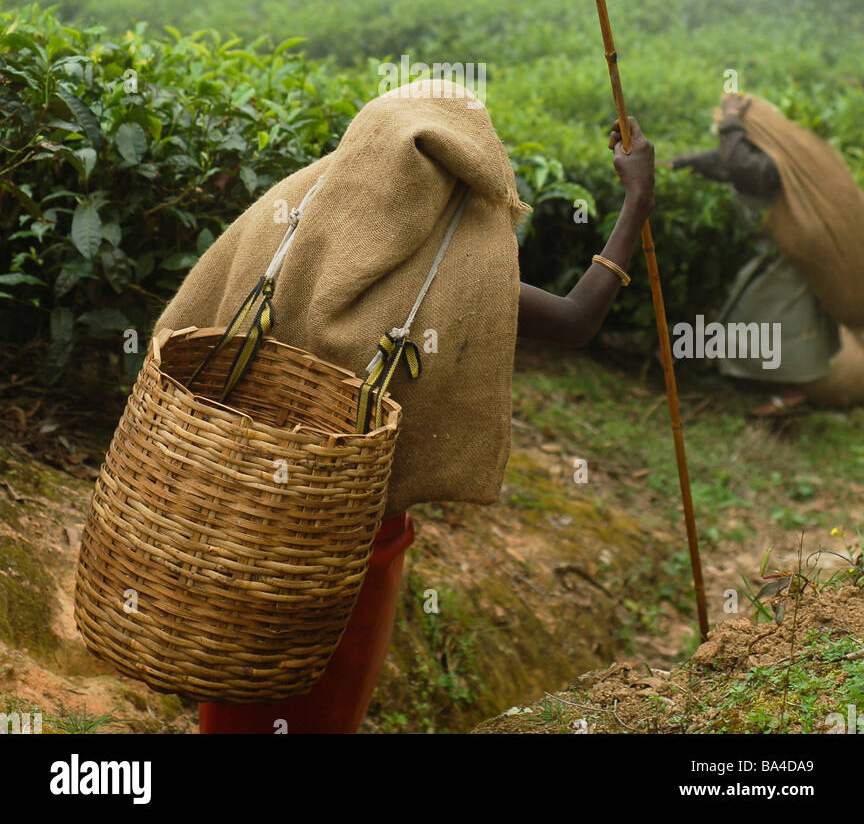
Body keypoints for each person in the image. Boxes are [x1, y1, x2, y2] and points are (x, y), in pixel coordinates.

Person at [155, 80, 654, 733]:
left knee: (241, 698)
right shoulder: (451, 273)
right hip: (355, 545)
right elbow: (577, 318)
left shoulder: (284, 217)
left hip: (245, 516)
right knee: (323, 708)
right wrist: (637, 199)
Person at [671, 92, 864, 415]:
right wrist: (678, 164)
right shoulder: (764, 158)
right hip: (777, 257)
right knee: (748, 315)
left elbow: (738, 164)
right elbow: (724, 161)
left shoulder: (770, 165)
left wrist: (731, 120)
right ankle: (752, 378)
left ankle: (789, 392)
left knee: (767, 321)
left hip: (789, 261)